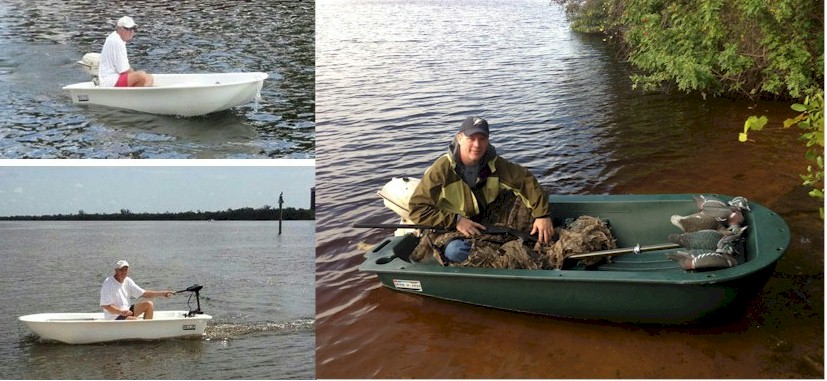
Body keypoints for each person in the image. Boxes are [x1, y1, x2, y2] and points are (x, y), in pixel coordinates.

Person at [408, 116, 554, 263]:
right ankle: (502, 257)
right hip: (450, 227)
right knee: (455, 251)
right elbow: (417, 209)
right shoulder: (441, 170)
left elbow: (525, 180)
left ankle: (507, 248)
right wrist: (456, 221)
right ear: (459, 138)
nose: (477, 144)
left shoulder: (494, 163)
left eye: (482, 139)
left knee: (531, 211)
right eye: (471, 138)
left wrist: (542, 215)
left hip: (487, 218)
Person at [100, 260, 174, 320]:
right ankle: (144, 330)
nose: (124, 272)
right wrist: (121, 312)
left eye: (125, 270)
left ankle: (147, 329)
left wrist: (163, 293)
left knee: (149, 304)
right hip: (114, 317)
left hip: (127, 311)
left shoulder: (127, 280)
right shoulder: (108, 283)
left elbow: (144, 293)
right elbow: (106, 306)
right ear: (116, 270)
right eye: (121, 270)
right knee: (136, 320)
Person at [98, 16, 154, 88]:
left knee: (145, 76)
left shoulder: (115, 37)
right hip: (110, 80)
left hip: (112, 78)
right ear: (119, 29)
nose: (131, 32)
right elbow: (123, 70)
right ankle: (144, 94)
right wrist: (137, 74)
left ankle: (138, 94)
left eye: (133, 28)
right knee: (144, 77)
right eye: (128, 29)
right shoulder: (117, 42)